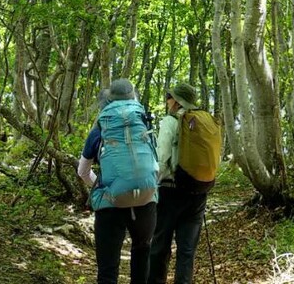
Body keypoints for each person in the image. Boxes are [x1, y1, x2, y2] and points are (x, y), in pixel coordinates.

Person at [77, 78, 159, 284]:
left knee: (108, 268)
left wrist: (104, 186)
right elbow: (156, 162)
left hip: (110, 205)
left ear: (108, 100)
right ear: (133, 98)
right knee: (142, 253)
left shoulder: (99, 130)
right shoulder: (145, 125)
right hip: (145, 201)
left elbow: (83, 172)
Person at [148, 82, 215, 284]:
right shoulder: (204, 121)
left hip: (170, 191)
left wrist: (153, 185)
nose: (167, 100)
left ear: (177, 101)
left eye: (169, 97)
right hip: (198, 192)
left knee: (160, 246)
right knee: (187, 251)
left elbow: (162, 158)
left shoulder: (170, 122)